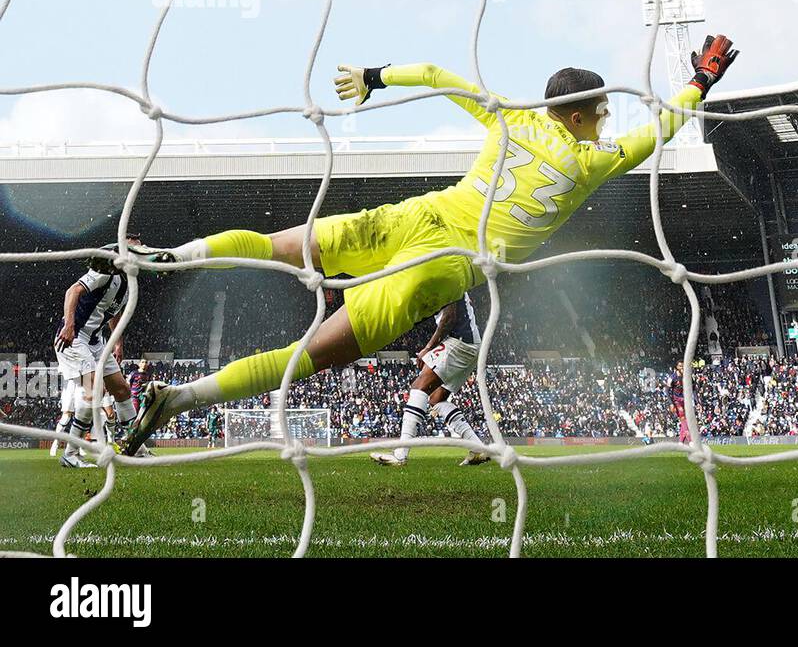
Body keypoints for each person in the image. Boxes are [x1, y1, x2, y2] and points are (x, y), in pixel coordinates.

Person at [122, 36, 738, 455]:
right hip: (439, 267)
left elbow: (438, 76)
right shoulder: (592, 161)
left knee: (282, 245)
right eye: (601, 111)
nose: (607, 119)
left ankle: (173, 255)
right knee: (306, 356)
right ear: (577, 117)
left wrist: (373, 78)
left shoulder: (510, 119)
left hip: (412, 217)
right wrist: (700, 81)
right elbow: (664, 126)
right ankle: (179, 398)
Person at [370, 289, 491, 468]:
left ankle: (400, 454)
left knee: (419, 387)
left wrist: (428, 347)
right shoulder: (451, 278)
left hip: (459, 342)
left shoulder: (446, 280)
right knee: (436, 398)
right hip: (471, 345)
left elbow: (449, 318)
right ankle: (478, 449)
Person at [54, 239, 145, 467]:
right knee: (94, 391)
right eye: (133, 247)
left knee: (122, 390)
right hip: (75, 339)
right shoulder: (106, 272)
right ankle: (71, 453)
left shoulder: (129, 281)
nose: (138, 251)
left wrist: (117, 342)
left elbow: (113, 312)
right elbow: (72, 291)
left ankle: (136, 447)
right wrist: (69, 325)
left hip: (97, 342)